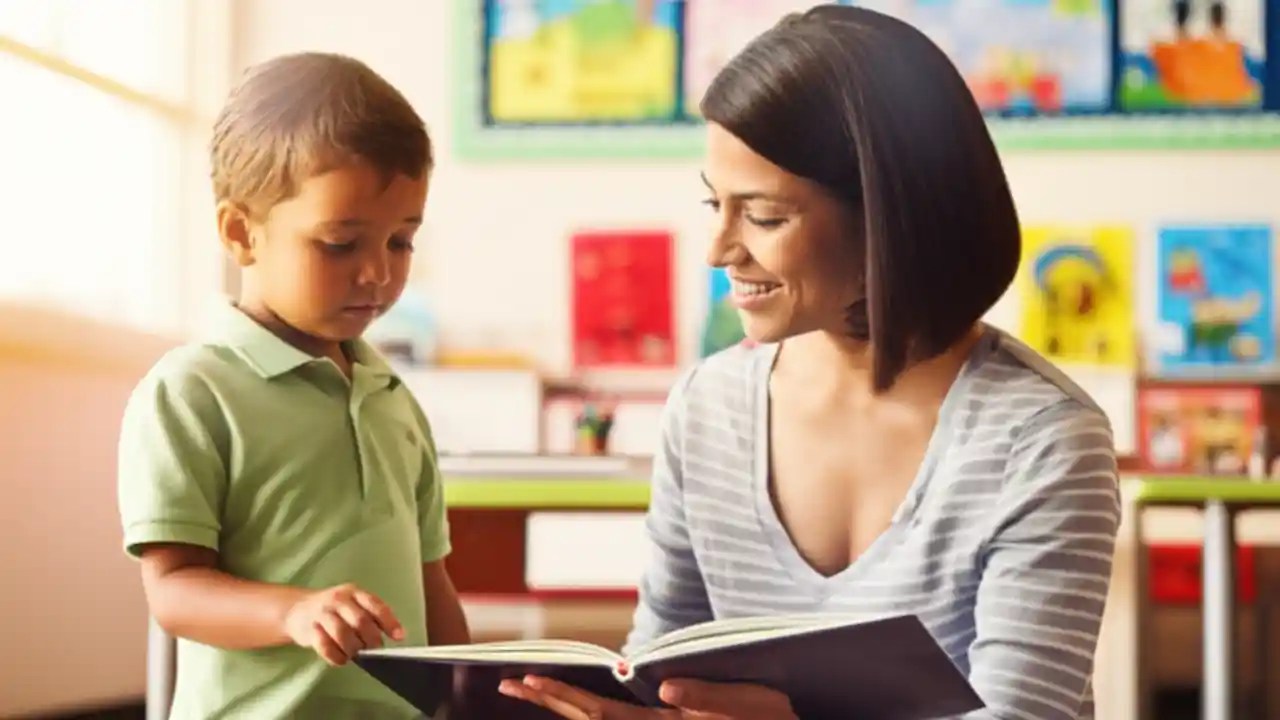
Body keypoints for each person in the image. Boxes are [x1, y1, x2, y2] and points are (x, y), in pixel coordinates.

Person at [501, 6, 1120, 720]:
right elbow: (661, 668)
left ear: (888, 217)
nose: (719, 249)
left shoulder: (1040, 440)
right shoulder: (709, 409)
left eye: (764, 217)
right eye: (715, 204)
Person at [116, 53, 469, 719]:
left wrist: (471, 699)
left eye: (400, 241)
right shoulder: (192, 393)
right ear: (241, 232)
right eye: (341, 244)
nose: (378, 273)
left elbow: (432, 582)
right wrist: (293, 611)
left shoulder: (392, 396)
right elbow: (174, 589)